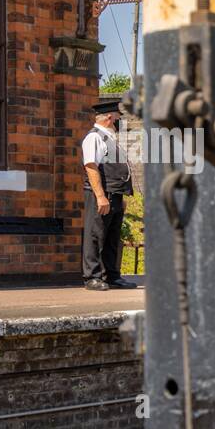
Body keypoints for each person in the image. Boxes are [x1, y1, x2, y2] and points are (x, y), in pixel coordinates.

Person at [82, 98, 136, 291]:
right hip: (102, 194)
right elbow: (91, 167)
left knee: (112, 237)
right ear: (109, 117)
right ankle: (92, 277)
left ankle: (112, 276)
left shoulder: (111, 138)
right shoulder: (94, 137)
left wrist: (121, 198)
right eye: (118, 117)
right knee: (95, 234)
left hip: (115, 194)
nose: (119, 121)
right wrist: (100, 196)